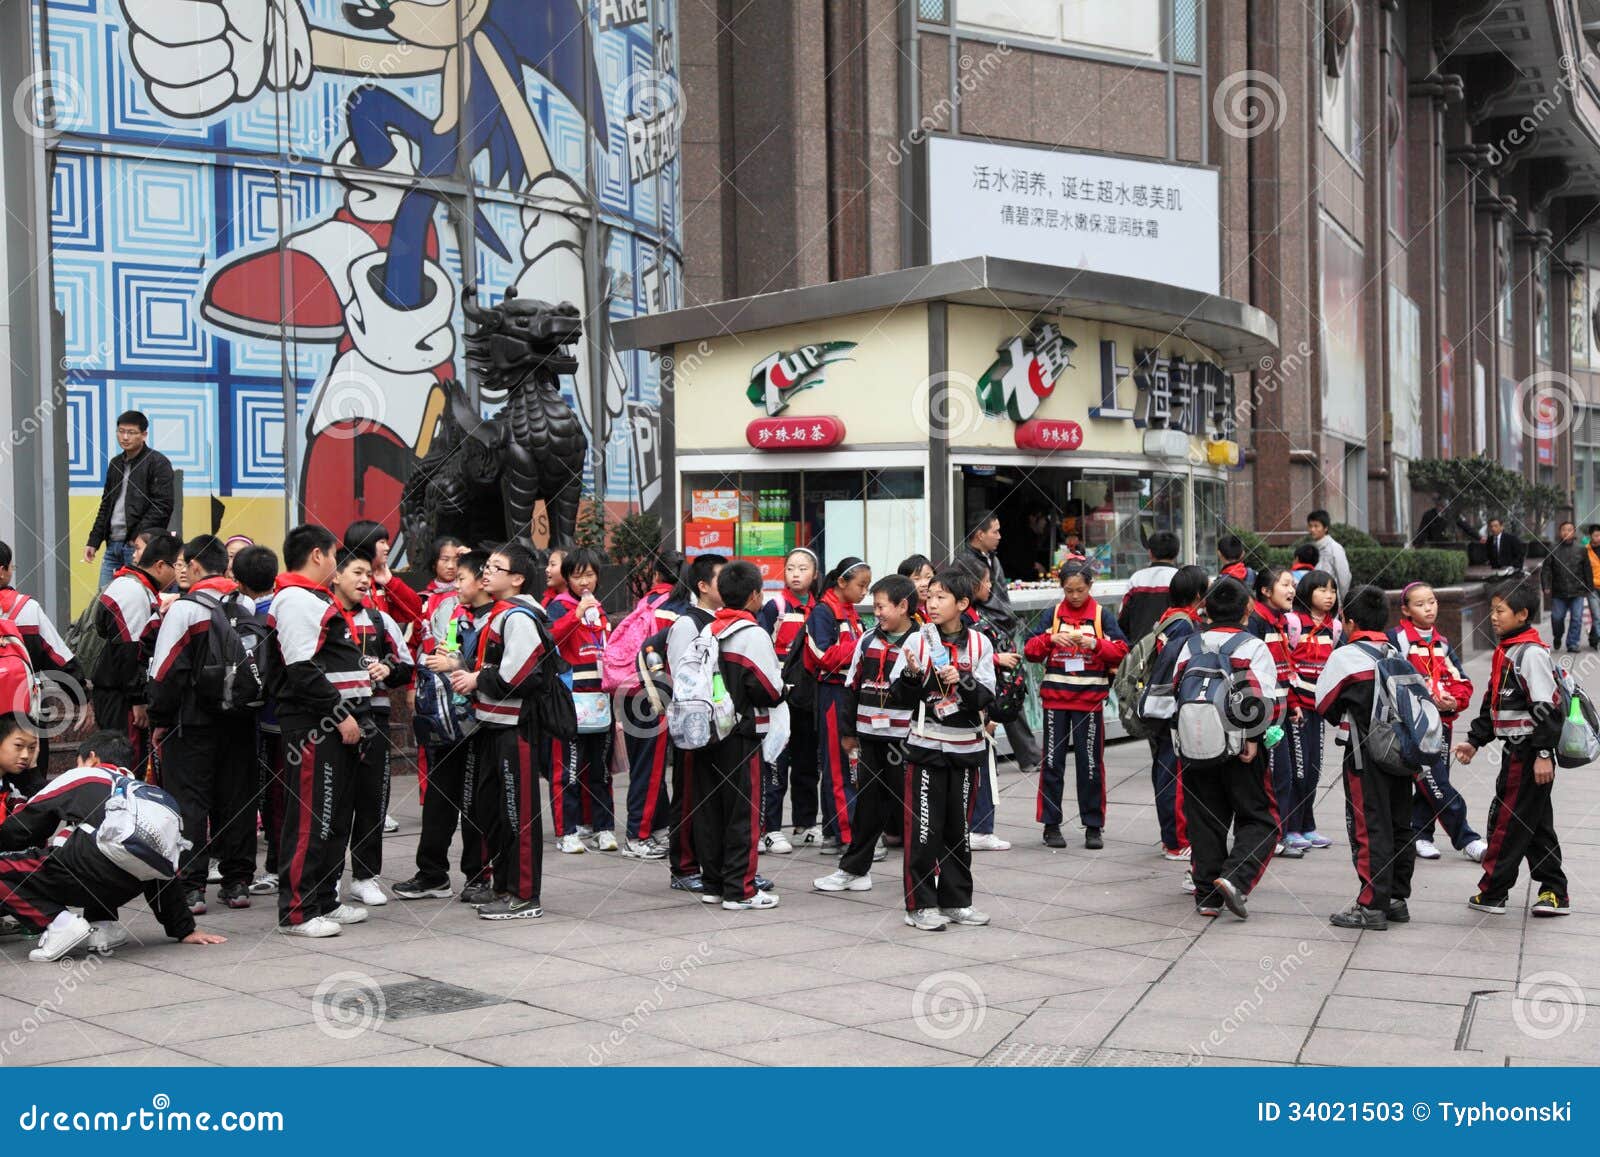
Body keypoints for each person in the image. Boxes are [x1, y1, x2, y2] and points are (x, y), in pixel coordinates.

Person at [0, 727, 229, 962]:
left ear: (92, 758)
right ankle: (102, 926)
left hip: (81, 876)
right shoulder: (143, 794)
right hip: (126, 886)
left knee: (81, 843)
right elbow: (159, 862)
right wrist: (185, 929)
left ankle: (60, 924)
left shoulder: (83, 775)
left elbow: (23, 827)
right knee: (101, 838)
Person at [266, 524, 370, 938]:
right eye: (332, 556)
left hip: (338, 724)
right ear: (316, 556)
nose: (335, 564)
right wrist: (340, 713)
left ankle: (324, 898)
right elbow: (301, 668)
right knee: (311, 816)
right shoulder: (294, 598)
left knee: (335, 817)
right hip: (315, 727)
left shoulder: (312, 598)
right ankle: (298, 910)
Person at [146, 535, 259, 914]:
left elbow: (165, 672)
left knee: (190, 803)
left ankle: (192, 888)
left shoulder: (185, 608)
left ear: (195, 566)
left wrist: (160, 718)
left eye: (184, 563)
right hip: (242, 719)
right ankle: (238, 882)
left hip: (192, 723)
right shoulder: (246, 603)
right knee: (238, 799)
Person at [1169, 577, 1284, 921]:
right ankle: (1235, 879)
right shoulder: (1252, 646)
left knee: (1205, 819)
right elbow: (1263, 698)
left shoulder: (1189, 645)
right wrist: (1252, 738)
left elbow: (1174, 690)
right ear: (1248, 609)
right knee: (1261, 819)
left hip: (1193, 744)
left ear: (1204, 608)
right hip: (1240, 746)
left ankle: (1207, 896)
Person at [889, 565, 995, 931]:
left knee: (958, 831)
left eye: (940, 597)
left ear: (963, 603)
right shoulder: (917, 641)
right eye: (929, 596)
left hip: (966, 749)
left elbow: (988, 698)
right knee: (923, 830)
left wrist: (961, 680)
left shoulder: (980, 643)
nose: (931, 603)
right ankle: (919, 905)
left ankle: (957, 901)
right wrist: (913, 676)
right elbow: (899, 696)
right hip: (926, 748)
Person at [1455, 580, 1570, 917]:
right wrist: (1475, 741)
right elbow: (1494, 704)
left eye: (1499, 611)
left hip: (1529, 754)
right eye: (1491, 609)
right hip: (1517, 752)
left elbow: (1547, 708)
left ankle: (1493, 891)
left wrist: (1544, 755)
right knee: (1535, 824)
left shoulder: (1530, 653)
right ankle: (1554, 891)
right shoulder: (1507, 650)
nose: (1493, 617)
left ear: (1522, 614)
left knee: (1507, 822)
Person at [449, 544, 552, 920]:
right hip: (493, 725)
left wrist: (477, 679)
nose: (486, 573)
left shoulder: (518, 617)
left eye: (496, 568)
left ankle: (524, 895)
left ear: (518, 579)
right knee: (495, 811)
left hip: (515, 728)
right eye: (487, 566)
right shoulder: (500, 613)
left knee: (518, 813)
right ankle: (505, 886)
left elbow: (520, 675)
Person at [395, 550, 496, 902]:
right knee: (438, 798)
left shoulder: (499, 616)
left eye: (462, 579)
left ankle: (479, 875)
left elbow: (497, 667)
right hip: (446, 719)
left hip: (478, 722)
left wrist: (456, 662)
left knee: (473, 802)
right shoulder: (451, 611)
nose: (456, 584)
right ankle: (431, 873)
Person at [1313, 585, 1415, 930]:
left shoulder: (1346, 656)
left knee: (1370, 827)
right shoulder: (1397, 650)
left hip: (1364, 756)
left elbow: (1324, 705)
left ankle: (1371, 906)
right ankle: (1396, 899)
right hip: (1403, 753)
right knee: (1400, 824)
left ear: (1350, 621)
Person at [815, 574, 918, 894]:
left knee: (914, 806)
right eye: (874, 607)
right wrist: (849, 733)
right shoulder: (867, 640)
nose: (877, 613)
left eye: (881, 606)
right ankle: (854, 870)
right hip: (870, 736)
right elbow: (852, 688)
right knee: (868, 805)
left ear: (903, 606)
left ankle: (929, 873)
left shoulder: (923, 641)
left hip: (907, 740)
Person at [1024, 559, 1130, 850]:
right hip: (1055, 700)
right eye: (1069, 590)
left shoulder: (1101, 616)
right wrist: (1050, 638)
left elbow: (1122, 651)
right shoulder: (1052, 615)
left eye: (1080, 590)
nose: (1074, 596)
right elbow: (1029, 650)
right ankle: (1051, 824)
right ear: (1062, 588)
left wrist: (1095, 644)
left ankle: (1093, 826)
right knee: (1053, 764)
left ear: (1090, 587)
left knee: (1090, 765)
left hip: (1090, 701)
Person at [697, 560, 784, 911]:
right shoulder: (752, 634)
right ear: (754, 595)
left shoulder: (708, 631)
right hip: (740, 734)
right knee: (742, 814)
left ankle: (714, 884)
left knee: (710, 812)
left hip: (704, 733)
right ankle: (741, 889)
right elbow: (769, 690)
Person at [337, 549, 414, 908]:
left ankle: (366, 877)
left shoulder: (380, 620)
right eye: (357, 572)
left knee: (372, 799)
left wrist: (388, 670)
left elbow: (407, 665)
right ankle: (329, 873)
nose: (365, 579)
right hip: (331, 720)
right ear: (335, 575)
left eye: (368, 573)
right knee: (333, 801)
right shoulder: (322, 616)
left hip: (375, 718)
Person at [1390, 582, 1485, 863]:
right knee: (1436, 780)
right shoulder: (1397, 640)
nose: (1429, 608)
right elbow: (1391, 681)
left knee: (1430, 781)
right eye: (1420, 604)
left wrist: (1454, 702)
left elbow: (1463, 682)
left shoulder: (1441, 643)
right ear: (1406, 609)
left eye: (1432, 601)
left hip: (1442, 723)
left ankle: (1420, 833)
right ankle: (1466, 838)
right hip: (1414, 727)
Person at [90, 528, 181, 777]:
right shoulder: (132, 591)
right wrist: (137, 701)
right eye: (178, 565)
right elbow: (129, 651)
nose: (181, 573)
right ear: (161, 565)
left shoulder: (134, 585)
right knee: (125, 765)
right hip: (119, 696)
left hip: (118, 692)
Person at [0, 541, 85, 794]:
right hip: (24, 722)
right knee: (32, 794)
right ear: (4, 570)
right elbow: (61, 659)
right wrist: (80, 696)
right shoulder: (27, 608)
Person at [547, 546, 615, 853]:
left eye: (589, 575)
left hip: (599, 699)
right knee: (568, 769)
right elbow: (550, 639)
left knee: (600, 769)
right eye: (577, 576)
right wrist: (575, 615)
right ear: (567, 578)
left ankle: (604, 827)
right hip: (570, 700)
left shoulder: (598, 609)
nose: (584, 581)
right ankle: (567, 831)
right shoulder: (559, 606)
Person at [664, 554, 725, 892]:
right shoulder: (688, 623)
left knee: (712, 794)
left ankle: (712, 863)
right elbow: (683, 677)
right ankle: (684, 866)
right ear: (702, 586)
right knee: (688, 794)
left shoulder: (725, 620)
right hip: (693, 721)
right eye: (721, 578)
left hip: (721, 721)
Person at [965, 512, 1042, 772]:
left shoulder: (992, 559)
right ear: (979, 534)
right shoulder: (967, 564)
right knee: (989, 695)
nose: (999, 536)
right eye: (995, 531)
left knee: (1008, 692)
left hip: (1000, 635)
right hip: (985, 637)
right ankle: (989, 758)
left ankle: (1028, 755)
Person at [620, 551, 685, 859]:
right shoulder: (678, 609)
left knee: (646, 766)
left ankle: (658, 826)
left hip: (630, 690)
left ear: (656, 575)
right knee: (651, 767)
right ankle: (637, 835)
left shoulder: (645, 603)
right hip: (655, 695)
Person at [1142, 564, 1208, 863]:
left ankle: (1172, 838)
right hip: (1171, 709)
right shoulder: (1184, 625)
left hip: (1159, 708)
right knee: (1173, 776)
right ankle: (1176, 841)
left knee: (1165, 772)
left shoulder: (1169, 619)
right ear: (1198, 594)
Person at [756, 546, 820, 853]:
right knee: (777, 762)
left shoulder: (819, 608)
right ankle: (770, 829)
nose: (796, 574)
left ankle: (805, 825)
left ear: (815, 574)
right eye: (791, 568)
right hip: (781, 697)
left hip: (808, 699)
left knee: (807, 764)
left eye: (802, 568)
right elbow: (761, 643)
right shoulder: (775, 606)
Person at [807, 557, 872, 853]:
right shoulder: (823, 612)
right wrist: (862, 647)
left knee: (844, 765)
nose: (864, 592)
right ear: (842, 582)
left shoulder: (851, 612)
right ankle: (848, 836)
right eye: (861, 585)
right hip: (832, 694)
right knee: (839, 767)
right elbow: (822, 655)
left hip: (848, 694)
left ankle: (834, 831)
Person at [229, 545, 283, 898]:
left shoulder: (241, 618)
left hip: (260, 719)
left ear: (239, 581)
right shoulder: (284, 610)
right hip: (290, 716)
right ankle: (283, 863)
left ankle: (277, 866)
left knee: (271, 797)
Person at [956, 560, 1019, 852]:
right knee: (981, 766)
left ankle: (979, 826)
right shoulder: (964, 621)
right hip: (969, 708)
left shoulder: (972, 616)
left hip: (977, 703)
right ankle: (979, 828)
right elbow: (971, 660)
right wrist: (996, 660)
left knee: (982, 764)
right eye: (986, 580)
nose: (991, 586)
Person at [83, 411, 176, 590]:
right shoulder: (115, 463)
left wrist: (136, 538)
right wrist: (94, 541)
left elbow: (162, 506)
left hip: (138, 547)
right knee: (106, 601)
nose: (125, 437)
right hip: (112, 545)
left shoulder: (157, 462)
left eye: (131, 432)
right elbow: (106, 504)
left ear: (144, 434)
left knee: (138, 596)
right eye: (121, 431)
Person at [1248, 567, 1304, 859]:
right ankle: (1270, 837)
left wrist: (1292, 702)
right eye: (1285, 584)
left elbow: (1283, 668)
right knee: (1274, 777)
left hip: (1280, 711)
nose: (1292, 590)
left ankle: (1276, 835)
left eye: (1293, 584)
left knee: (1283, 775)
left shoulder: (1278, 622)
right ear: (1266, 591)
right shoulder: (1256, 623)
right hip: (1265, 715)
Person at [1285, 570, 1340, 851]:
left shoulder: (1336, 627)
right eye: (1322, 590)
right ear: (1307, 593)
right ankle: (1291, 827)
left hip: (1318, 709)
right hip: (1297, 710)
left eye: (1332, 590)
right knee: (1299, 769)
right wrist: (1292, 701)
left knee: (1314, 768)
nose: (1328, 595)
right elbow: (1284, 662)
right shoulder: (1294, 623)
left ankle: (1308, 826)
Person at [1117, 529, 1180, 649]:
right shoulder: (1181, 578)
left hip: (1139, 651)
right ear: (1176, 553)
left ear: (1150, 553)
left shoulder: (1136, 579)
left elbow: (1123, 620)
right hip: (1171, 649)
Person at [1540, 520, 1593, 653]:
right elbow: (1546, 569)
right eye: (1564, 529)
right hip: (1559, 591)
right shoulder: (1553, 548)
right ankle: (1557, 636)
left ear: (1573, 532)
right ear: (1560, 532)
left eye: (1569, 529)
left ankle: (1572, 643)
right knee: (1557, 618)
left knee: (1577, 618)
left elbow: (1587, 569)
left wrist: (1589, 587)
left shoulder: (1581, 549)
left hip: (1578, 591)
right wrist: (1546, 585)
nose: (1566, 532)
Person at [0, 713, 40, 820]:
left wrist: (33, 767)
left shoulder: (10, 791)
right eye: (18, 745)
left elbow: (36, 817)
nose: (26, 755)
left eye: (32, 748)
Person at [1306, 510, 1351, 596]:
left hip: (1331, 600)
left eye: (1316, 526)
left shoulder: (1335, 548)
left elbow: (1344, 577)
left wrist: (1342, 601)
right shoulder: (1311, 548)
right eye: (1310, 526)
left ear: (1325, 528)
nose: (1312, 529)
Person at [1585, 525, 1600, 651]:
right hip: (1592, 588)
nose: (1598, 538)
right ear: (1590, 536)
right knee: (1596, 615)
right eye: (1596, 535)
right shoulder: (1585, 551)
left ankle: (1593, 638)